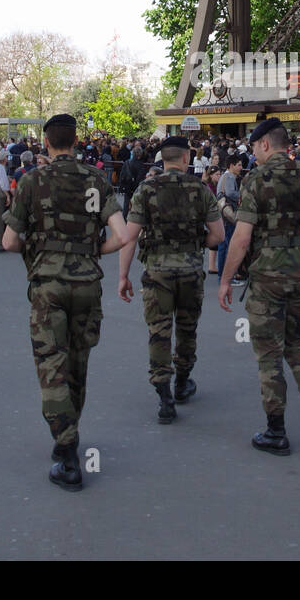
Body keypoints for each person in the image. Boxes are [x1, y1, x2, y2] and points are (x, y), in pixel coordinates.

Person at [3, 114, 129, 491]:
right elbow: (121, 236)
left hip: (49, 284)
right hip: (87, 281)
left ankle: (66, 448)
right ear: (76, 141)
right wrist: (92, 252)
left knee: (51, 365)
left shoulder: (32, 181)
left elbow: (10, 241)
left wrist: (39, 252)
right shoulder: (96, 178)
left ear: (46, 143)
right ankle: (70, 431)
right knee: (78, 361)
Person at [215, 118, 300, 455]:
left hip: (267, 278)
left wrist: (226, 279)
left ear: (265, 144)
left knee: (269, 354)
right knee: (299, 343)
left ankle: (276, 431)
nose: (254, 153)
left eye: (255, 147)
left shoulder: (256, 180)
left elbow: (241, 238)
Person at [118, 136, 223, 424]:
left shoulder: (146, 189)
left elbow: (129, 237)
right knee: (187, 330)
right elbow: (218, 236)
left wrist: (123, 275)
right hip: (190, 271)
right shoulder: (200, 188)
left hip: (157, 272)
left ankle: (163, 394)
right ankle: (182, 382)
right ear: (187, 159)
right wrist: (195, 241)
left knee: (159, 331)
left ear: (162, 160)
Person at [216, 154, 244, 280]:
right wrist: (242, 196)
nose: (241, 168)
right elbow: (230, 193)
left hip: (223, 215)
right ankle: (227, 276)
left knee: (224, 245)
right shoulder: (229, 177)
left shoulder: (225, 176)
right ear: (232, 165)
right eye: (239, 165)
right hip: (228, 215)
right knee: (227, 245)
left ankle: (223, 274)